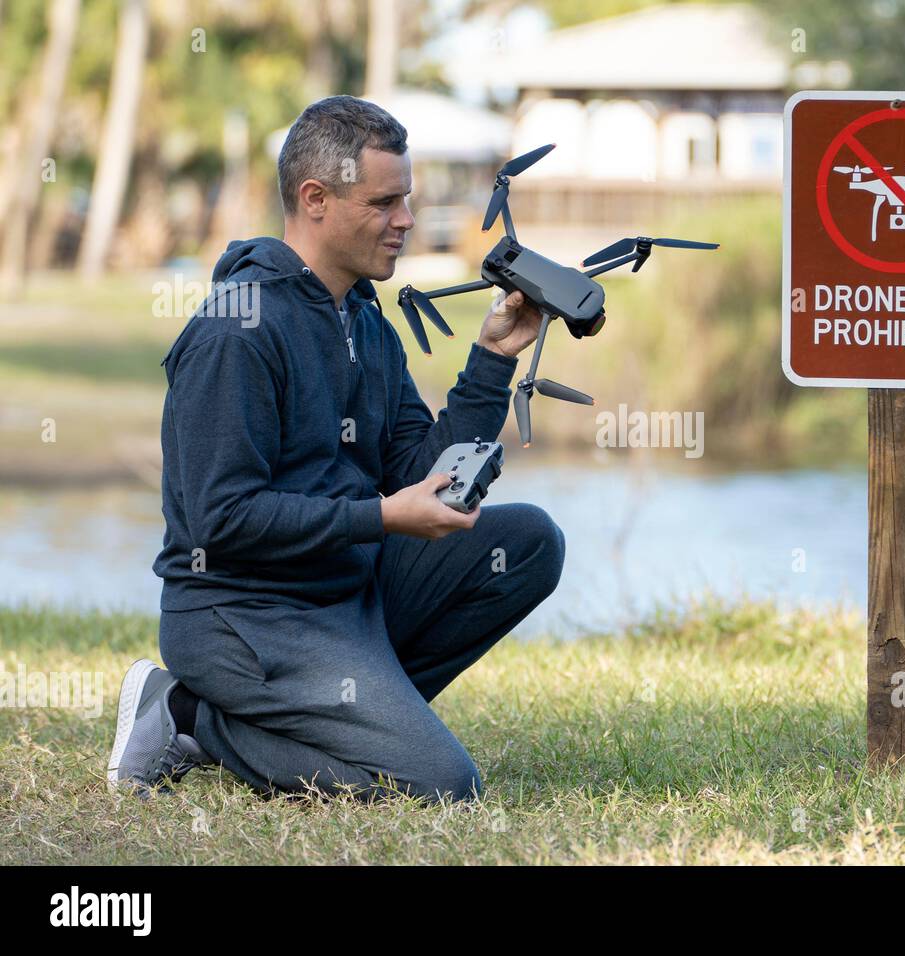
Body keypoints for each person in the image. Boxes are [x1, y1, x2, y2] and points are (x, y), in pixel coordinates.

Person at [106, 95, 566, 805]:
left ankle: (348, 721)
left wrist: (492, 360)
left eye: (406, 199)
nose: (406, 220)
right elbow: (220, 520)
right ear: (315, 199)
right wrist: (378, 519)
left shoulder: (363, 320)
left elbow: (423, 474)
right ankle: (186, 713)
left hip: (344, 594)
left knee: (531, 541)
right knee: (441, 786)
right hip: (245, 615)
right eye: (385, 202)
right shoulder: (239, 332)